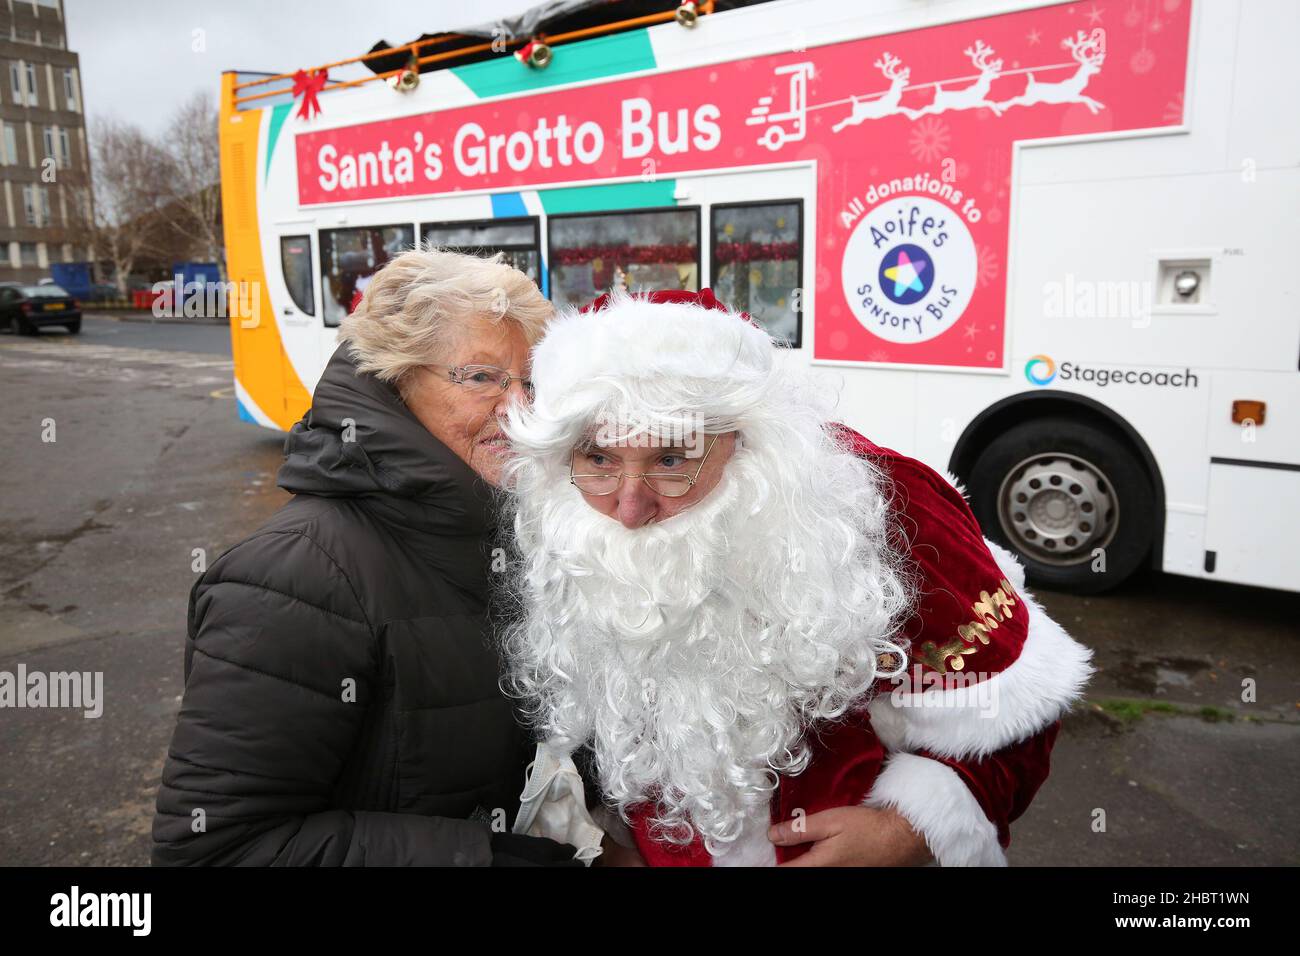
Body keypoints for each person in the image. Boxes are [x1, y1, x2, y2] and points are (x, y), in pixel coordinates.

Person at [500, 287, 1095, 866]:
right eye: (599, 459)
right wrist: (615, 842)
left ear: (747, 441)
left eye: (671, 460)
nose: (629, 509)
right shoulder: (565, 523)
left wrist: (911, 826)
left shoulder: (885, 511)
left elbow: (1016, 712)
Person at [153, 248, 575, 865]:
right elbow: (215, 850)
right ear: (394, 380)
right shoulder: (292, 577)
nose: (519, 411)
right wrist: (484, 857)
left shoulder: (512, 531)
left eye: (529, 382)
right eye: (480, 377)